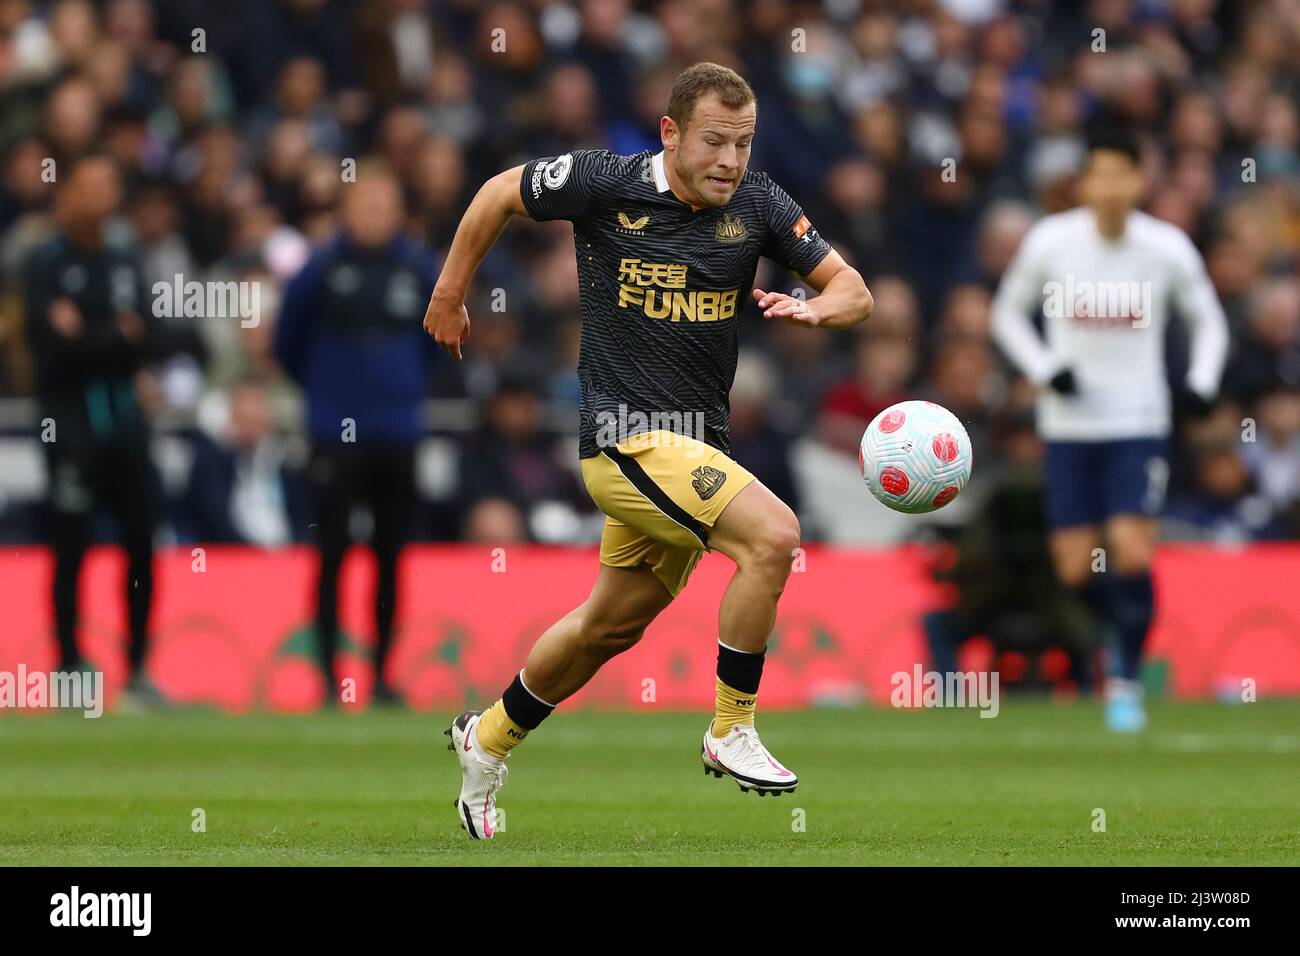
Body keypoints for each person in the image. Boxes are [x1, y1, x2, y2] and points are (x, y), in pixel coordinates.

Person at [424, 62, 873, 838]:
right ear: (670, 133)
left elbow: (855, 291)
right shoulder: (604, 183)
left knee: (610, 626)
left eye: (743, 142)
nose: (731, 160)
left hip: (696, 452)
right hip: (623, 441)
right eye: (714, 142)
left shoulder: (761, 204)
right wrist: (448, 293)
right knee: (774, 538)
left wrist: (816, 310)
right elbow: (499, 191)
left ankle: (486, 738)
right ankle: (732, 728)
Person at [990, 128, 1230, 732]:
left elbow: (1209, 320)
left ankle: (1124, 676)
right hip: (1068, 426)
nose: (1112, 188)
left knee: (1127, 548)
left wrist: (1201, 381)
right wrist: (1048, 371)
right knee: (1075, 567)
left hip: (1137, 422)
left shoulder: (1165, 247)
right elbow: (1006, 314)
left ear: (1139, 182)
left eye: (1124, 174)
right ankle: (1119, 640)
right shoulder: (1052, 241)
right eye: (1100, 174)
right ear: (1086, 182)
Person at [274, 162, 438, 707]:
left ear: (398, 212)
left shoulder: (417, 268)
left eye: (383, 205)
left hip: (397, 434)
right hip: (334, 436)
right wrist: (328, 396)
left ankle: (383, 676)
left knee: (391, 557)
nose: (373, 215)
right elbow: (286, 343)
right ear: (346, 210)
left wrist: (404, 392)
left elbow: (441, 339)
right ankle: (326, 676)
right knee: (332, 553)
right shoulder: (319, 269)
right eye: (364, 204)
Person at [22, 155, 163, 706]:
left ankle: (138, 671)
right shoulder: (44, 263)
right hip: (70, 423)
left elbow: (149, 335)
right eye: (91, 185)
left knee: (141, 544)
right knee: (71, 546)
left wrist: (97, 336)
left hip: (127, 422)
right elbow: (56, 344)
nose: (102, 194)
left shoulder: (127, 260)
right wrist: (115, 338)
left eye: (110, 183)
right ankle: (69, 670)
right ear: (69, 194)